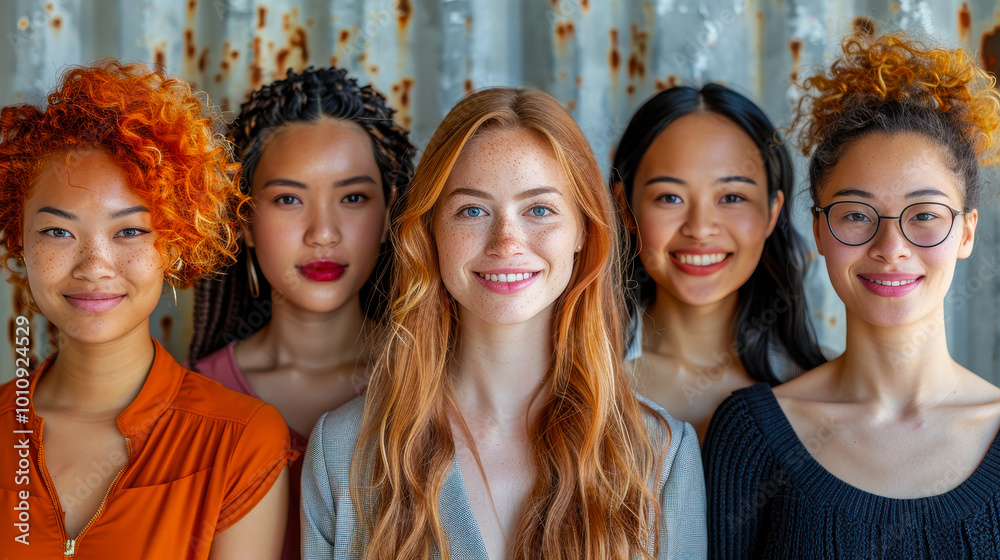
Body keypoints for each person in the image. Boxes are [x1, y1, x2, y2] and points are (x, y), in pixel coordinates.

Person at [301, 87, 707, 559]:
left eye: (540, 210)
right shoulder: (341, 452)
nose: (506, 242)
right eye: (472, 210)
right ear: (430, 231)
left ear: (583, 231)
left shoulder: (660, 455)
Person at [704, 30, 1000, 558]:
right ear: (819, 230)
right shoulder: (751, 436)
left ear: (967, 232)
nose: (891, 247)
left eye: (925, 216)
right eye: (857, 215)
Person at [0, 61, 294, 559]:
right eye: (57, 231)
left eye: (130, 230)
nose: (94, 265)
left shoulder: (240, 441)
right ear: (19, 240)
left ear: (176, 243)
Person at [187, 66, 414, 560]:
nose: (323, 233)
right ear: (244, 220)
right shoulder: (195, 403)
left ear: (387, 211)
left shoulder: (434, 381)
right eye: (289, 199)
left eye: (353, 197)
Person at [611, 84, 826, 439]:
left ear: (772, 211)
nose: (699, 229)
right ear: (626, 208)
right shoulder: (574, 379)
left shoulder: (824, 387)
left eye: (731, 196)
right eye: (669, 197)